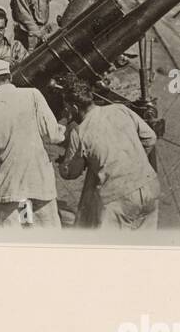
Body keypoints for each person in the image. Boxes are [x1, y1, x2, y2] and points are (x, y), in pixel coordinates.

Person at [0, 59, 65, 229]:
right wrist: (62, 130)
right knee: (47, 236)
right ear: (10, 76)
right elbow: (52, 135)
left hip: (11, 186)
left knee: (18, 237)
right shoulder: (33, 94)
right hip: (39, 180)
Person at [58, 80, 160, 230]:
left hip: (119, 198)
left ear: (73, 108)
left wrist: (63, 164)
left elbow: (71, 173)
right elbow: (150, 138)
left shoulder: (79, 132)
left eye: (67, 108)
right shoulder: (120, 109)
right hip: (150, 187)